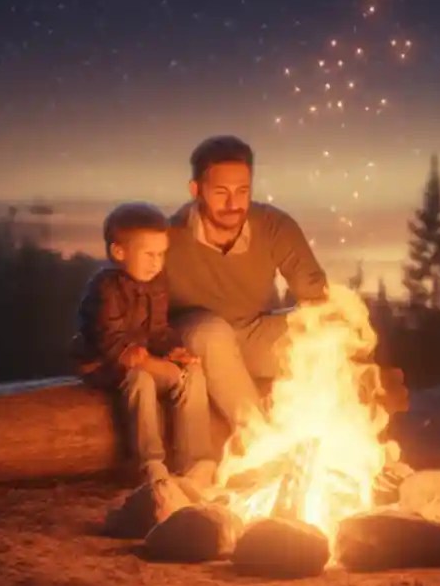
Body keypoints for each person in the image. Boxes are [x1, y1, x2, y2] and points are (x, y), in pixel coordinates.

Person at [165, 135, 329, 434]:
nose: (233, 204)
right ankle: (260, 439)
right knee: (212, 333)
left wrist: (330, 333)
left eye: (242, 191)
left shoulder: (272, 226)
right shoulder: (168, 238)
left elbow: (317, 298)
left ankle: (327, 439)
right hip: (195, 341)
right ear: (196, 190)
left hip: (251, 334)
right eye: (221, 192)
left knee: (323, 331)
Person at [75, 201, 217, 487]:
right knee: (141, 380)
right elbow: (113, 345)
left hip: (143, 357)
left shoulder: (156, 282)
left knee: (192, 374)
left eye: (161, 254)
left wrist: (175, 352)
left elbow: (158, 331)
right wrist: (156, 365)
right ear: (119, 252)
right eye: (149, 254)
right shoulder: (105, 288)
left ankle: (196, 463)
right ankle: (150, 464)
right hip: (105, 364)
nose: (156, 262)